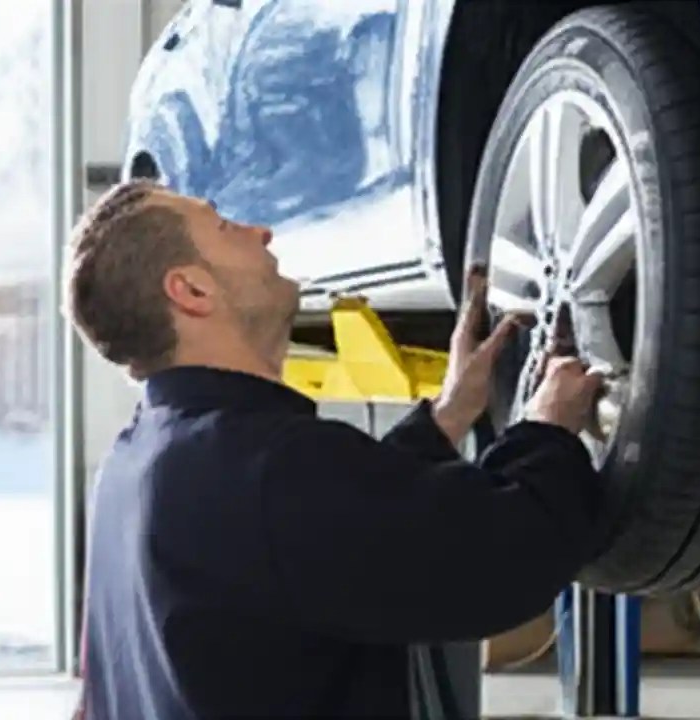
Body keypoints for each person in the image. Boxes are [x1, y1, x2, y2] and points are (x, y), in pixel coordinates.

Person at [64, 178, 605, 718]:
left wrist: (445, 418)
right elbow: (502, 561)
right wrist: (548, 429)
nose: (262, 231)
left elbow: (335, 533)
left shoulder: (131, 469)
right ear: (192, 291)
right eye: (227, 228)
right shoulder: (262, 467)